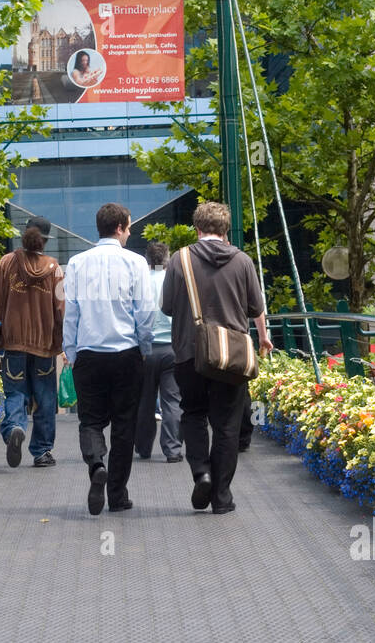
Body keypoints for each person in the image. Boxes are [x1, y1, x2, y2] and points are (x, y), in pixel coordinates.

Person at [160, 201, 274, 515]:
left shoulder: (179, 259)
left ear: (197, 228)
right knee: (226, 425)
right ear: (225, 230)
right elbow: (255, 308)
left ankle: (202, 473)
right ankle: (222, 497)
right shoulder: (243, 261)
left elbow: (167, 306)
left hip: (190, 352)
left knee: (193, 414)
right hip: (232, 355)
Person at [63, 203, 154, 514]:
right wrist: (144, 348)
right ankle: (117, 494)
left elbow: (70, 311)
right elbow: (145, 313)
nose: (129, 233)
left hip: (88, 353)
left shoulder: (76, 263)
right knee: (124, 424)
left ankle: (96, 464)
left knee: (89, 420)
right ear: (119, 228)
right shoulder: (136, 263)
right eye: (128, 227)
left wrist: (71, 351)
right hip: (126, 353)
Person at [0, 215, 65, 468]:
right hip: (44, 344)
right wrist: (63, 342)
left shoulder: (7, 262)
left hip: (14, 342)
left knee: (15, 392)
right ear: (45, 241)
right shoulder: (54, 268)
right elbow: (61, 309)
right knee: (45, 397)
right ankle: (41, 452)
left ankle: (15, 427)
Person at [135, 241, 183, 463]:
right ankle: (172, 449)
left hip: (145, 350)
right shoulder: (174, 280)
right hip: (172, 349)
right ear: (167, 259)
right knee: (172, 401)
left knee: (144, 401)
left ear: (147, 259)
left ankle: (143, 447)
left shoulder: (140, 281)